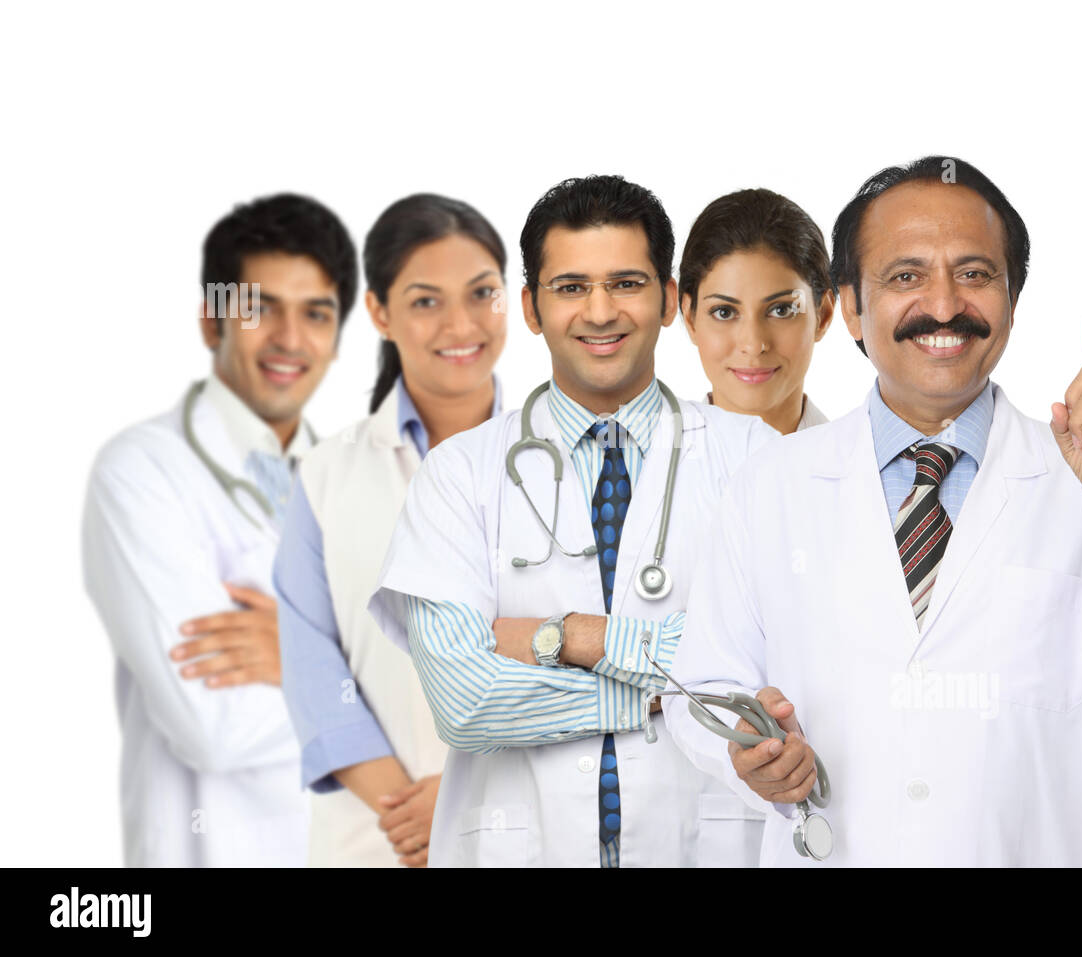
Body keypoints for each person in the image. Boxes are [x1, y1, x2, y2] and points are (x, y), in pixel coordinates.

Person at [664, 156, 1082, 867]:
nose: (943, 304)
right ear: (848, 304)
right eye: (905, 275)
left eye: (975, 273)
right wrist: (746, 757)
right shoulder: (770, 487)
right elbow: (702, 691)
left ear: (1011, 297)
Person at [367, 174, 778, 867]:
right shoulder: (461, 471)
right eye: (569, 288)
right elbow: (464, 700)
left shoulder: (755, 457)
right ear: (530, 307)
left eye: (626, 283)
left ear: (670, 300)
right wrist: (654, 696)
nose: (599, 311)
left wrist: (571, 637)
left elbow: (775, 661)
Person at [82, 194, 358, 867]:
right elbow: (213, 726)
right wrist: (362, 666)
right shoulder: (143, 472)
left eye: (316, 313)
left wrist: (301, 655)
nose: (291, 339)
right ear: (213, 321)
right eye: (260, 308)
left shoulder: (353, 483)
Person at [274, 194, 506, 867]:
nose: (461, 323)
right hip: (377, 839)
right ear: (379, 312)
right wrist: (410, 813)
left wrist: (463, 798)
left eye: (481, 293)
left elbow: (586, 661)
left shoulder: (567, 459)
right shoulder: (326, 474)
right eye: (426, 300)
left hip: (525, 822)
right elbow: (315, 671)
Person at [679, 188, 835, 434]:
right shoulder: (640, 466)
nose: (753, 345)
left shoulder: (871, 466)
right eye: (724, 312)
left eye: (782, 310)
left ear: (823, 315)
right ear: (690, 319)